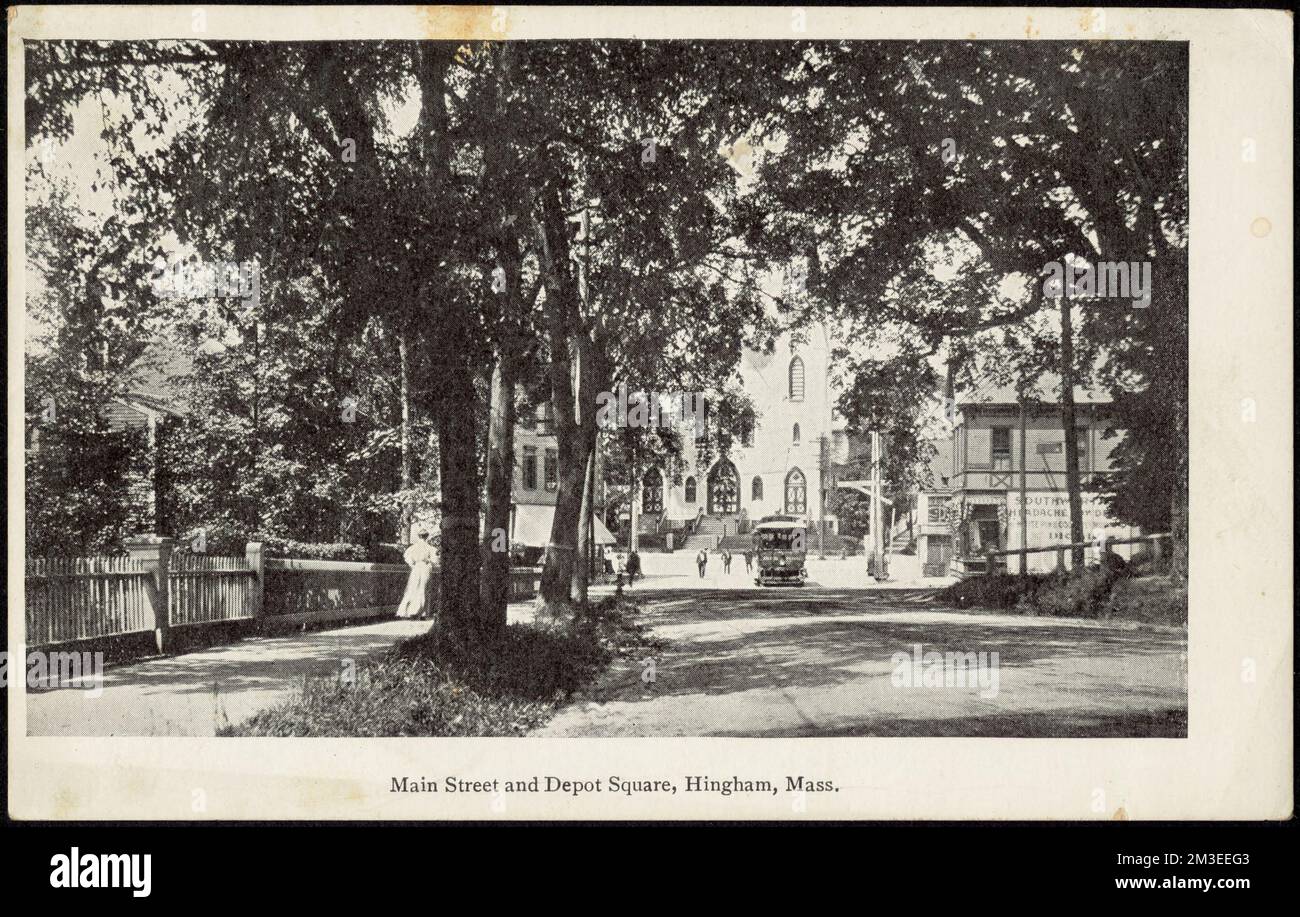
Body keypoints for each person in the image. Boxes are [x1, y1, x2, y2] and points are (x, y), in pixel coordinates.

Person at [397, 526, 436, 619]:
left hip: (416, 567)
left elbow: (407, 557)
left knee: (412, 588)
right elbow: (434, 560)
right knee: (423, 588)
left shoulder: (413, 547)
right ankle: (421, 613)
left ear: (419, 536)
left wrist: (412, 564)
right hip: (424, 567)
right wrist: (429, 561)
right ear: (427, 537)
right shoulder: (430, 548)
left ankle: (409, 611)